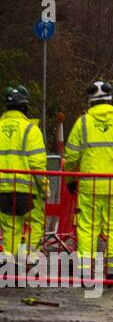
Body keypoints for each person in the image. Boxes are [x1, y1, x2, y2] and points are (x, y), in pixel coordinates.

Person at [62, 81, 113, 281]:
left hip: (89, 185)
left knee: (87, 227)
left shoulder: (83, 123)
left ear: (90, 102)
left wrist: (70, 180)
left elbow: (71, 156)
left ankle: (83, 270)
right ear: (110, 100)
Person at [0, 85, 47, 257]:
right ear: (24, 107)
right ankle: (30, 258)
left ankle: (10, 263)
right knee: (35, 223)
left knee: (10, 228)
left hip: (2, 190)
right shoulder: (30, 129)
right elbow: (37, 164)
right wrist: (44, 187)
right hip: (26, 191)